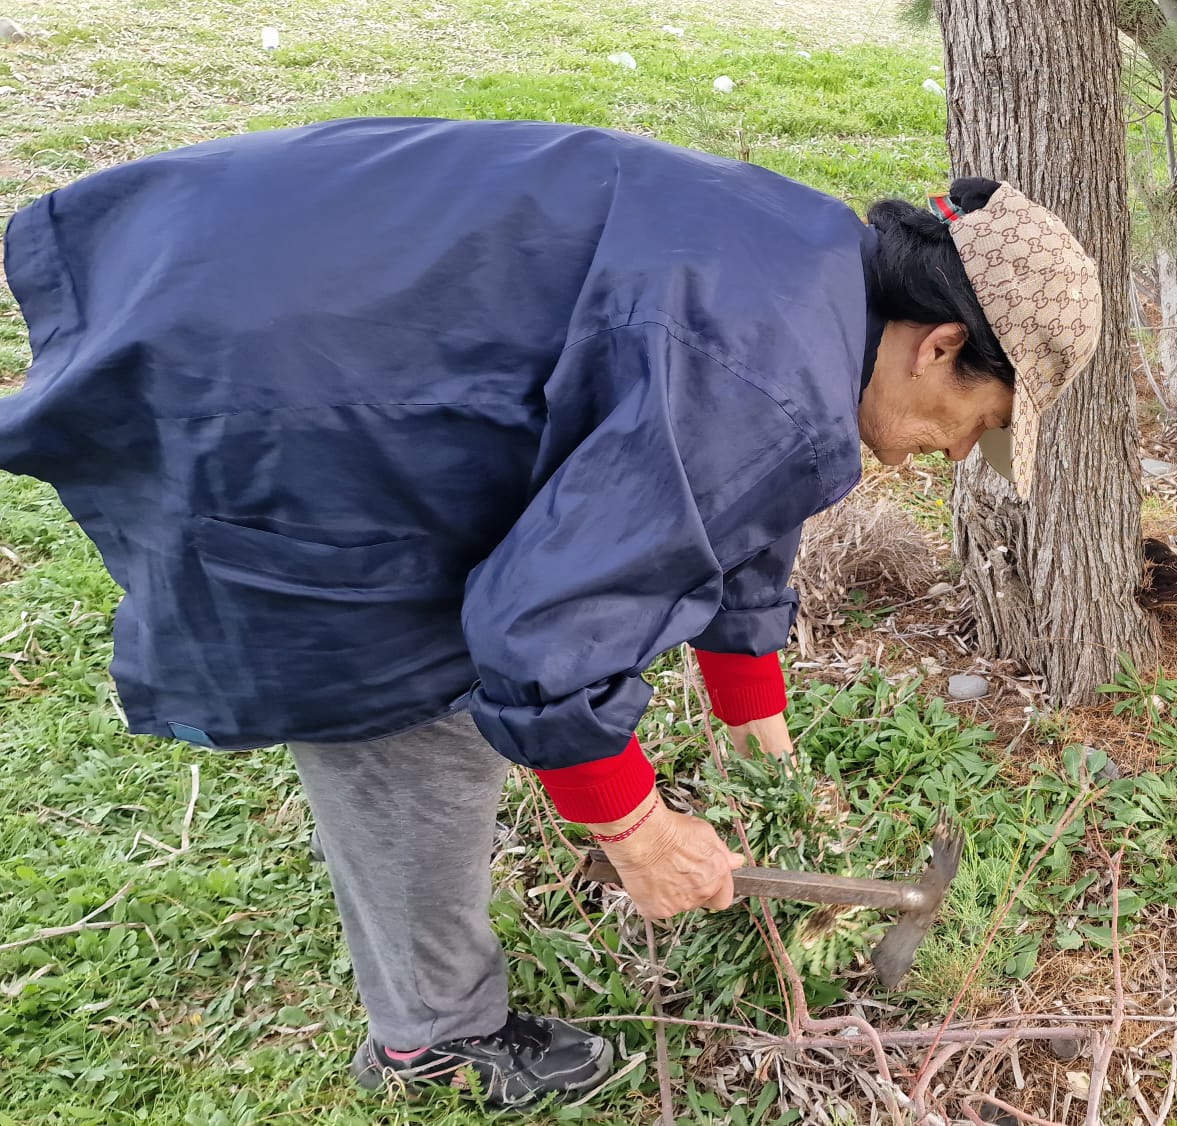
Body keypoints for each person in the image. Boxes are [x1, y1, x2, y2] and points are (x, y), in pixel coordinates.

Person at [0, 117, 1101, 1109]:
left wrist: (752, 720)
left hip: (250, 248)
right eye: (979, 421)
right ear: (942, 345)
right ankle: (430, 1037)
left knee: (438, 668)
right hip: (285, 380)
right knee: (412, 696)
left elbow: (725, 504)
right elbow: (538, 630)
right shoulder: (773, 388)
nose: (957, 453)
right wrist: (634, 828)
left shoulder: (808, 268)